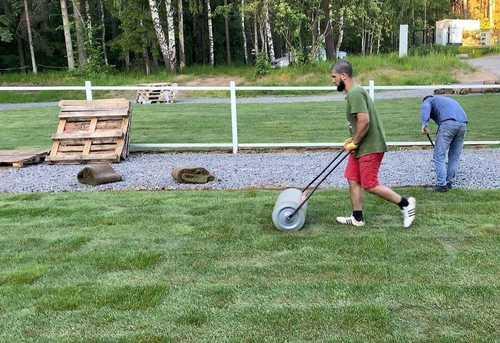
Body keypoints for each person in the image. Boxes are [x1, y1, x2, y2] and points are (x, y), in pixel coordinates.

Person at [331, 60, 416, 229]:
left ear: (343, 76)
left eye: (334, 77)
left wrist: (355, 141)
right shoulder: (354, 93)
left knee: (370, 184)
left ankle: (406, 204)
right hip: (361, 146)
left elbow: (364, 121)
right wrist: (352, 140)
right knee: (353, 179)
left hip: (370, 146)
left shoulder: (355, 93)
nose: (332, 81)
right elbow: (359, 123)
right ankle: (357, 218)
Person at [421, 95, 468, 192]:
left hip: (448, 124)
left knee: (439, 156)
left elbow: (425, 107)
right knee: (454, 156)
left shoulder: (429, 100)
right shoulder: (444, 100)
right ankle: (449, 182)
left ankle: (441, 185)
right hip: (463, 125)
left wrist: (424, 124)